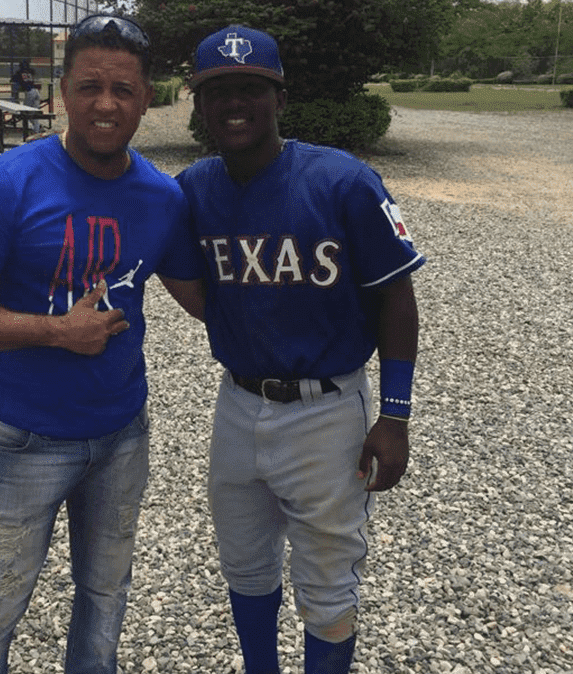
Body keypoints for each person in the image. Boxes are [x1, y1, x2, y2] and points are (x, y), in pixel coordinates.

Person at [0, 14, 202, 674]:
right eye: (89, 87)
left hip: (122, 433)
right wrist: (54, 330)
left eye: (124, 90)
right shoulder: (6, 185)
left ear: (146, 97)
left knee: (105, 597)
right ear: (62, 92)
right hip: (28, 437)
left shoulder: (162, 198)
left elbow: (205, 302)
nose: (106, 104)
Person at [173, 25, 425, 674]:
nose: (234, 102)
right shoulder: (194, 188)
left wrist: (393, 416)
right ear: (198, 106)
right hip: (237, 405)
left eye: (250, 89)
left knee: (327, 584)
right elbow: (179, 274)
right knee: (245, 567)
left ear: (279, 97)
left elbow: (396, 300)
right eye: (217, 90)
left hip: (326, 412)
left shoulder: (344, 181)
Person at [10, 61, 43, 132]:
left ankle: (28, 129)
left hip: (30, 93)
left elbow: (13, 80)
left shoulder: (19, 73)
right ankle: (36, 130)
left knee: (25, 112)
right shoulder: (30, 72)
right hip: (36, 92)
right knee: (34, 113)